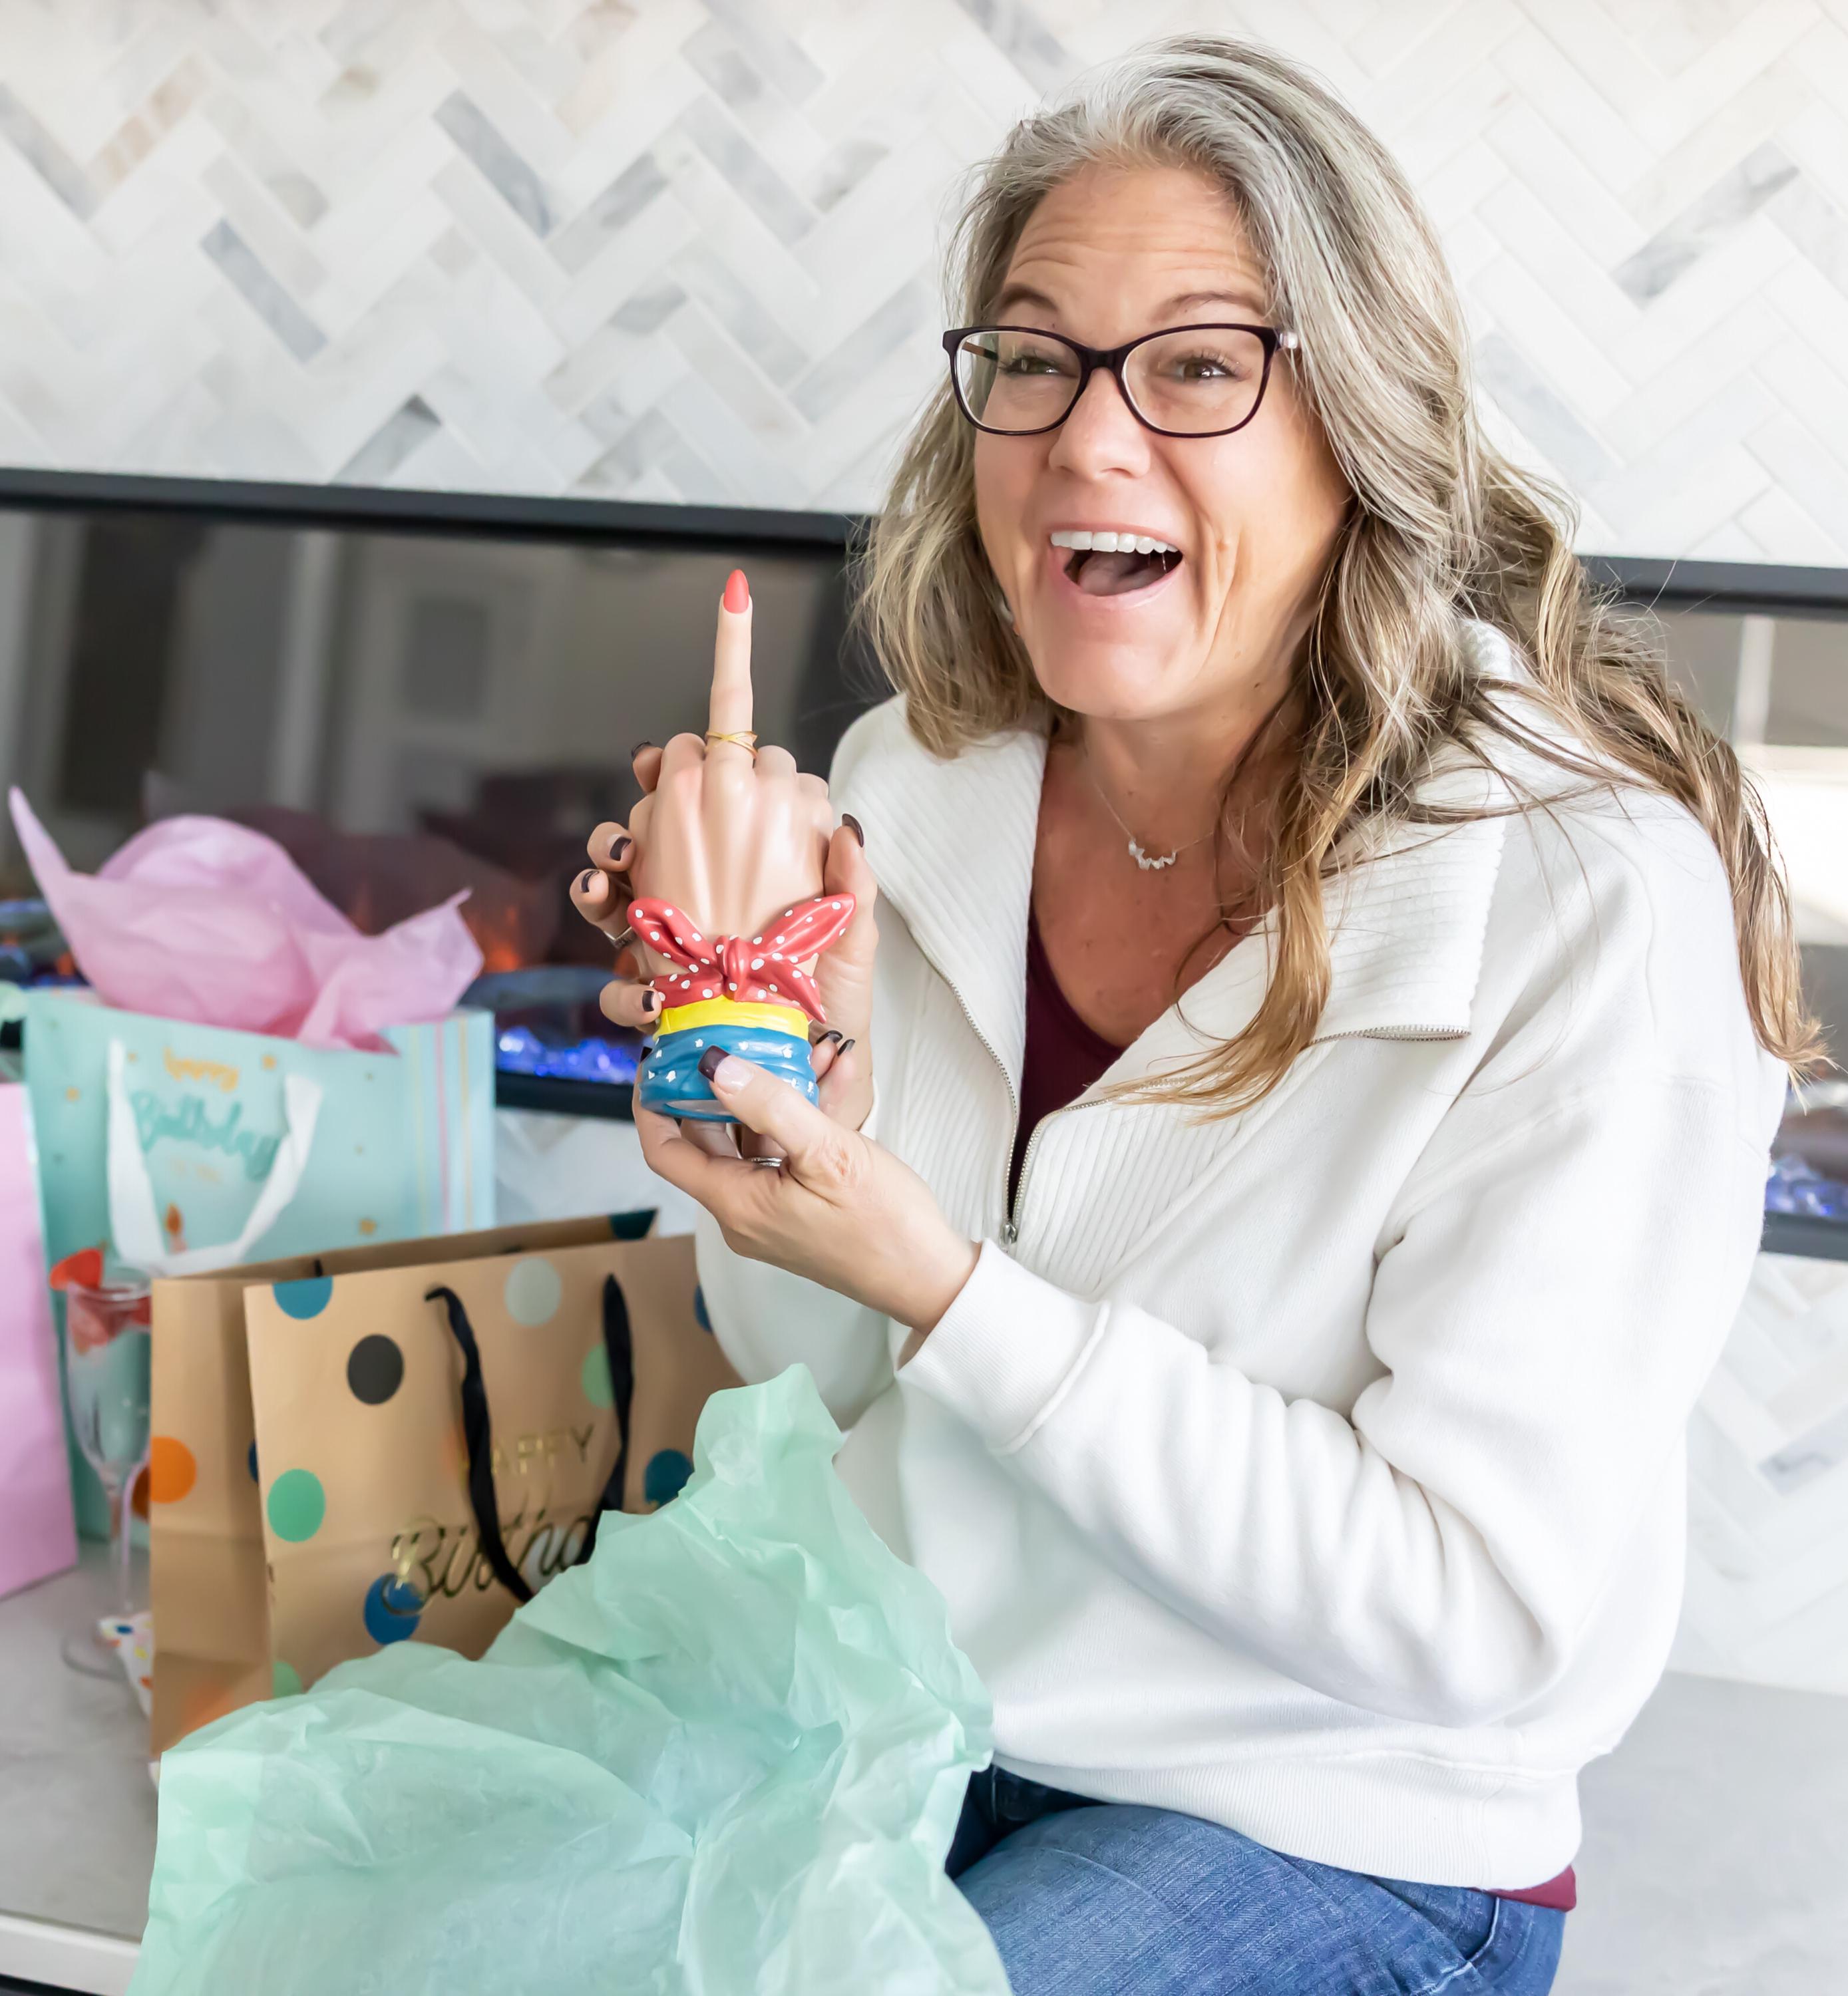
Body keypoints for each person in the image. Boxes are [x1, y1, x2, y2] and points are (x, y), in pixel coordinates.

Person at [570, 36, 1811, 1995]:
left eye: (1201, 366)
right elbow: (819, 1380)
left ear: (1361, 430)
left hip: (1334, 1819)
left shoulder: (1579, 892)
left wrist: (952, 1286)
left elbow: (1476, 1612)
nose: (1085, 438)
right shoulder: (916, 781)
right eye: (1035, 356)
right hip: (915, 1724)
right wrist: (783, 1129)